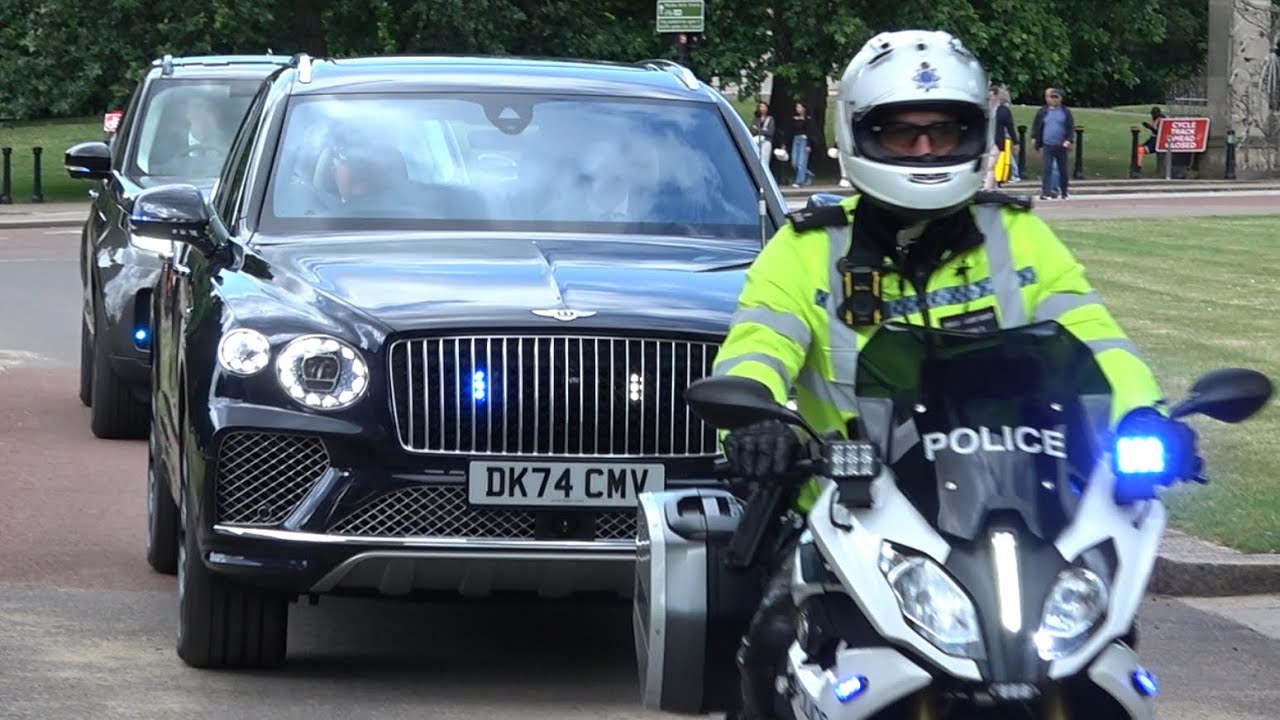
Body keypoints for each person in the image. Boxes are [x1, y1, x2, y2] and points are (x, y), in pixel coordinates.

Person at [711, 29, 1185, 720]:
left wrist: (1145, 415)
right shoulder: (808, 249)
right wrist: (755, 417)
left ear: (974, 135)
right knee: (772, 640)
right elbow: (757, 345)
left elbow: (1098, 342)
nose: (926, 150)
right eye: (902, 134)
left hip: (1023, 511)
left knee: (1102, 650)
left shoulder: (1017, 237)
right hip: (855, 513)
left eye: (945, 130)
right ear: (860, 135)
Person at [1031, 87, 1075, 199]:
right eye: (1052, 97)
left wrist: (1069, 140)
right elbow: (1037, 126)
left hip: (1061, 145)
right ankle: (1045, 192)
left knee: (1063, 170)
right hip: (1047, 144)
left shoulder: (1065, 112)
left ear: (1060, 99)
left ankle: (1064, 191)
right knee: (1047, 169)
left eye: (1056, 97)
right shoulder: (1043, 111)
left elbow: (1070, 128)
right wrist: (1035, 138)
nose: (1054, 100)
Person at [750, 102, 777, 172]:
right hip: (757, 141)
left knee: (765, 159)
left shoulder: (770, 119)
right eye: (760, 107)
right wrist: (763, 130)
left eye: (764, 107)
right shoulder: (756, 118)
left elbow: (770, 132)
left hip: (766, 141)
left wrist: (758, 130)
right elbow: (752, 130)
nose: (762, 109)